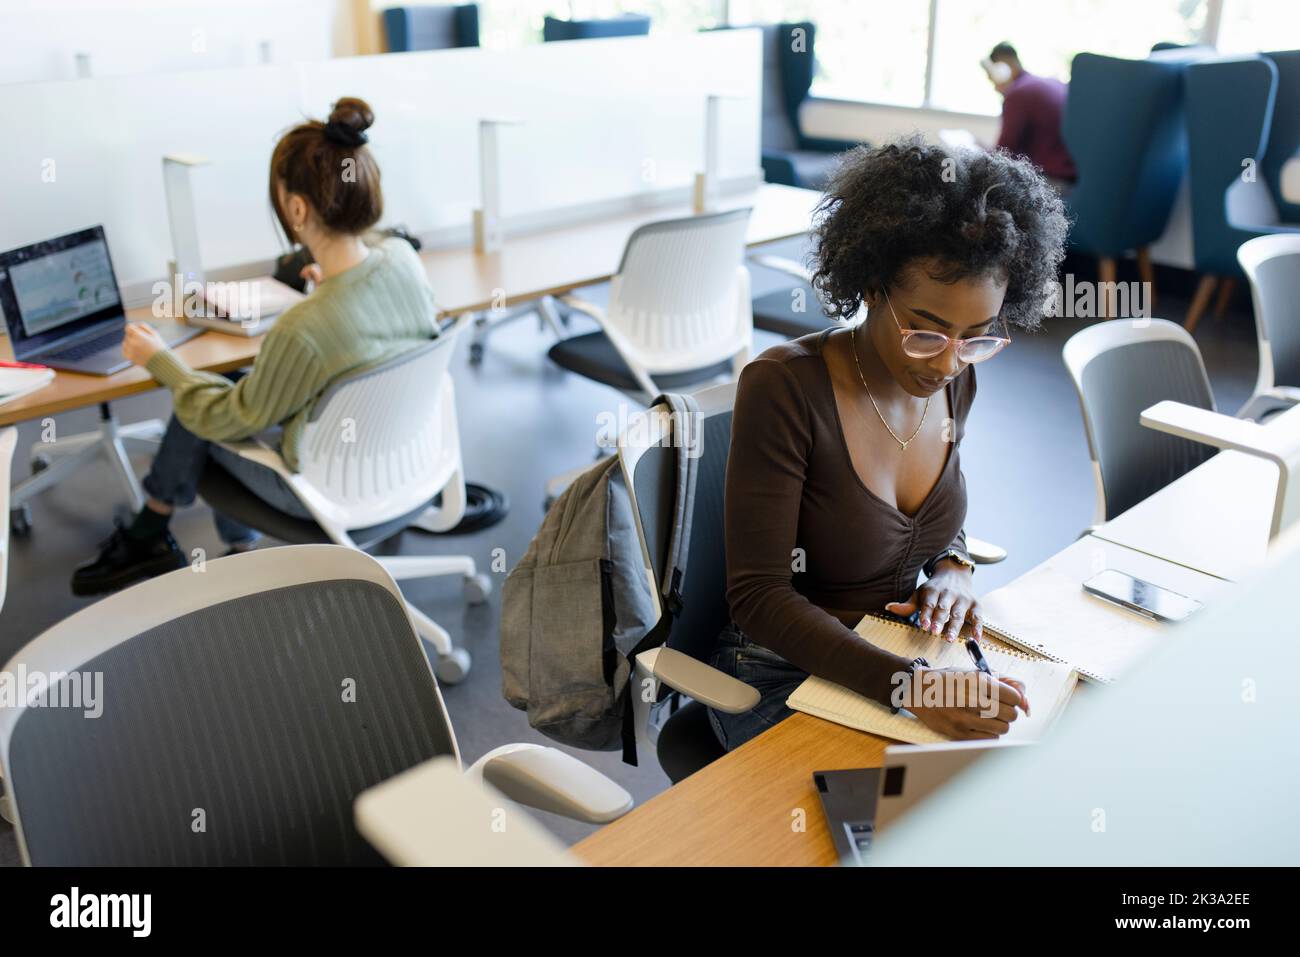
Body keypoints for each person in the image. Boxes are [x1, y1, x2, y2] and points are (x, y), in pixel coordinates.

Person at [710, 135, 1069, 750]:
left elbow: (938, 503)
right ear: (873, 286)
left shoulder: (958, 380)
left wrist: (954, 569)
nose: (950, 363)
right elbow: (758, 597)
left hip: (898, 649)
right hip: (780, 671)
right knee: (898, 820)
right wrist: (913, 688)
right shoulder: (783, 387)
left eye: (977, 336)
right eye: (926, 333)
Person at [72, 97, 440, 595]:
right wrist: (330, 283)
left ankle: (154, 534)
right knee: (217, 390)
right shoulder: (403, 259)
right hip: (402, 461)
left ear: (296, 208)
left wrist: (163, 363)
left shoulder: (304, 329)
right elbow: (367, 326)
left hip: (322, 487)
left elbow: (227, 417)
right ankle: (217, 545)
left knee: (202, 403)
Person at [987, 42, 1077, 193]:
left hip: (1053, 182)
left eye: (992, 78)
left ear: (1003, 69)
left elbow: (1003, 154)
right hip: (1072, 179)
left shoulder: (1018, 93)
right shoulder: (1050, 83)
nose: (994, 87)